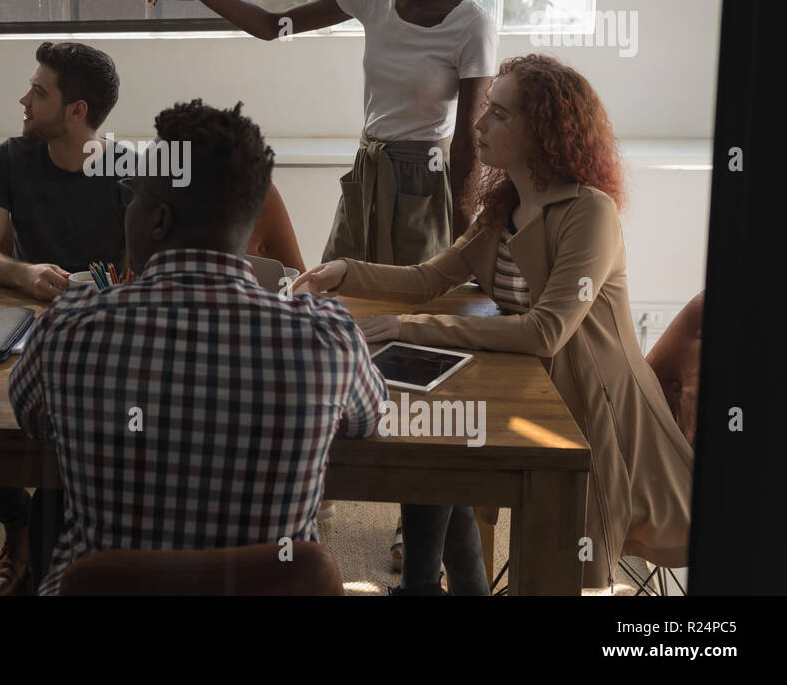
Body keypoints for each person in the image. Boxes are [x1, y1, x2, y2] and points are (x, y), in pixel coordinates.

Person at [144, 0, 497, 570]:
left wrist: (466, 236)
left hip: (425, 186)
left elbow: (468, 145)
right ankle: (333, 489)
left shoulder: (472, 23)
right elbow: (274, 26)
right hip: (365, 178)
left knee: (418, 348)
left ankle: (423, 525)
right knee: (339, 317)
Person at [294, 55, 694, 592]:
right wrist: (342, 272)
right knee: (440, 456)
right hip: (531, 390)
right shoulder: (503, 209)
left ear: (545, 131)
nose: (479, 125)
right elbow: (426, 279)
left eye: (499, 115)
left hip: (594, 413)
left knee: (560, 569)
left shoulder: (589, 213)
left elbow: (545, 331)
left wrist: (408, 328)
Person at [10, 100, 388, 595]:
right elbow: (367, 418)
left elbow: (30, 418)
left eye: (135, 199)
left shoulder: (68, 327)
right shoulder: (328, 337)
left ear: (159, 220)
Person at [0, 40, 128, 594]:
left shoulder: (127, 172)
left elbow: (140, 278)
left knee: (77, 435)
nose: (24, 100)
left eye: (39, 93)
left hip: (98, 338)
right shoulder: (7, 161)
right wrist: (22, 273)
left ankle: (52, 539)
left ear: (77, 112)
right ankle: (18, 525)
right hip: (20, 326)